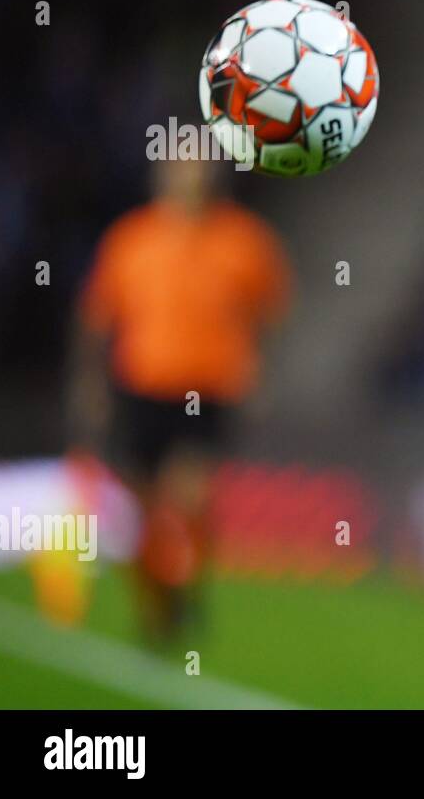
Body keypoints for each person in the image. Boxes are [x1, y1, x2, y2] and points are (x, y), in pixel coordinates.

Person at [71, 154, 292, 642]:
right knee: (140, 506)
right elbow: (98, 317)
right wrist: (91, 386)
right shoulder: (131, 239)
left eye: (198, 169)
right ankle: (159, 601)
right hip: (142, 386)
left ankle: (188, 580)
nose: (190, 178)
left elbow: (267, 314)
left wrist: (259, 372)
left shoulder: (244, 241)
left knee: (188, 494)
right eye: (180, 168)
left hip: (207, 387)